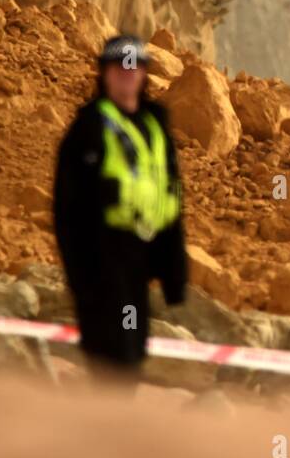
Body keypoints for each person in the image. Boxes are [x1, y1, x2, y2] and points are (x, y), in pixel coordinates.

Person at [52, 35, 188, 382]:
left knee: (130, 358)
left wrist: (173, 273)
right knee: (111, 360)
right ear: (105, 73)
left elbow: (170, 197)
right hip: (101, 260)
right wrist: (80, 279)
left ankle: (110, 427)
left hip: (139, 262)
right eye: (120, 66)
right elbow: (67, 211)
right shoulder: (89, 128)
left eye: (135, 65)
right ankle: (103, 429)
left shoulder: (155, 126)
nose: (128, 73)